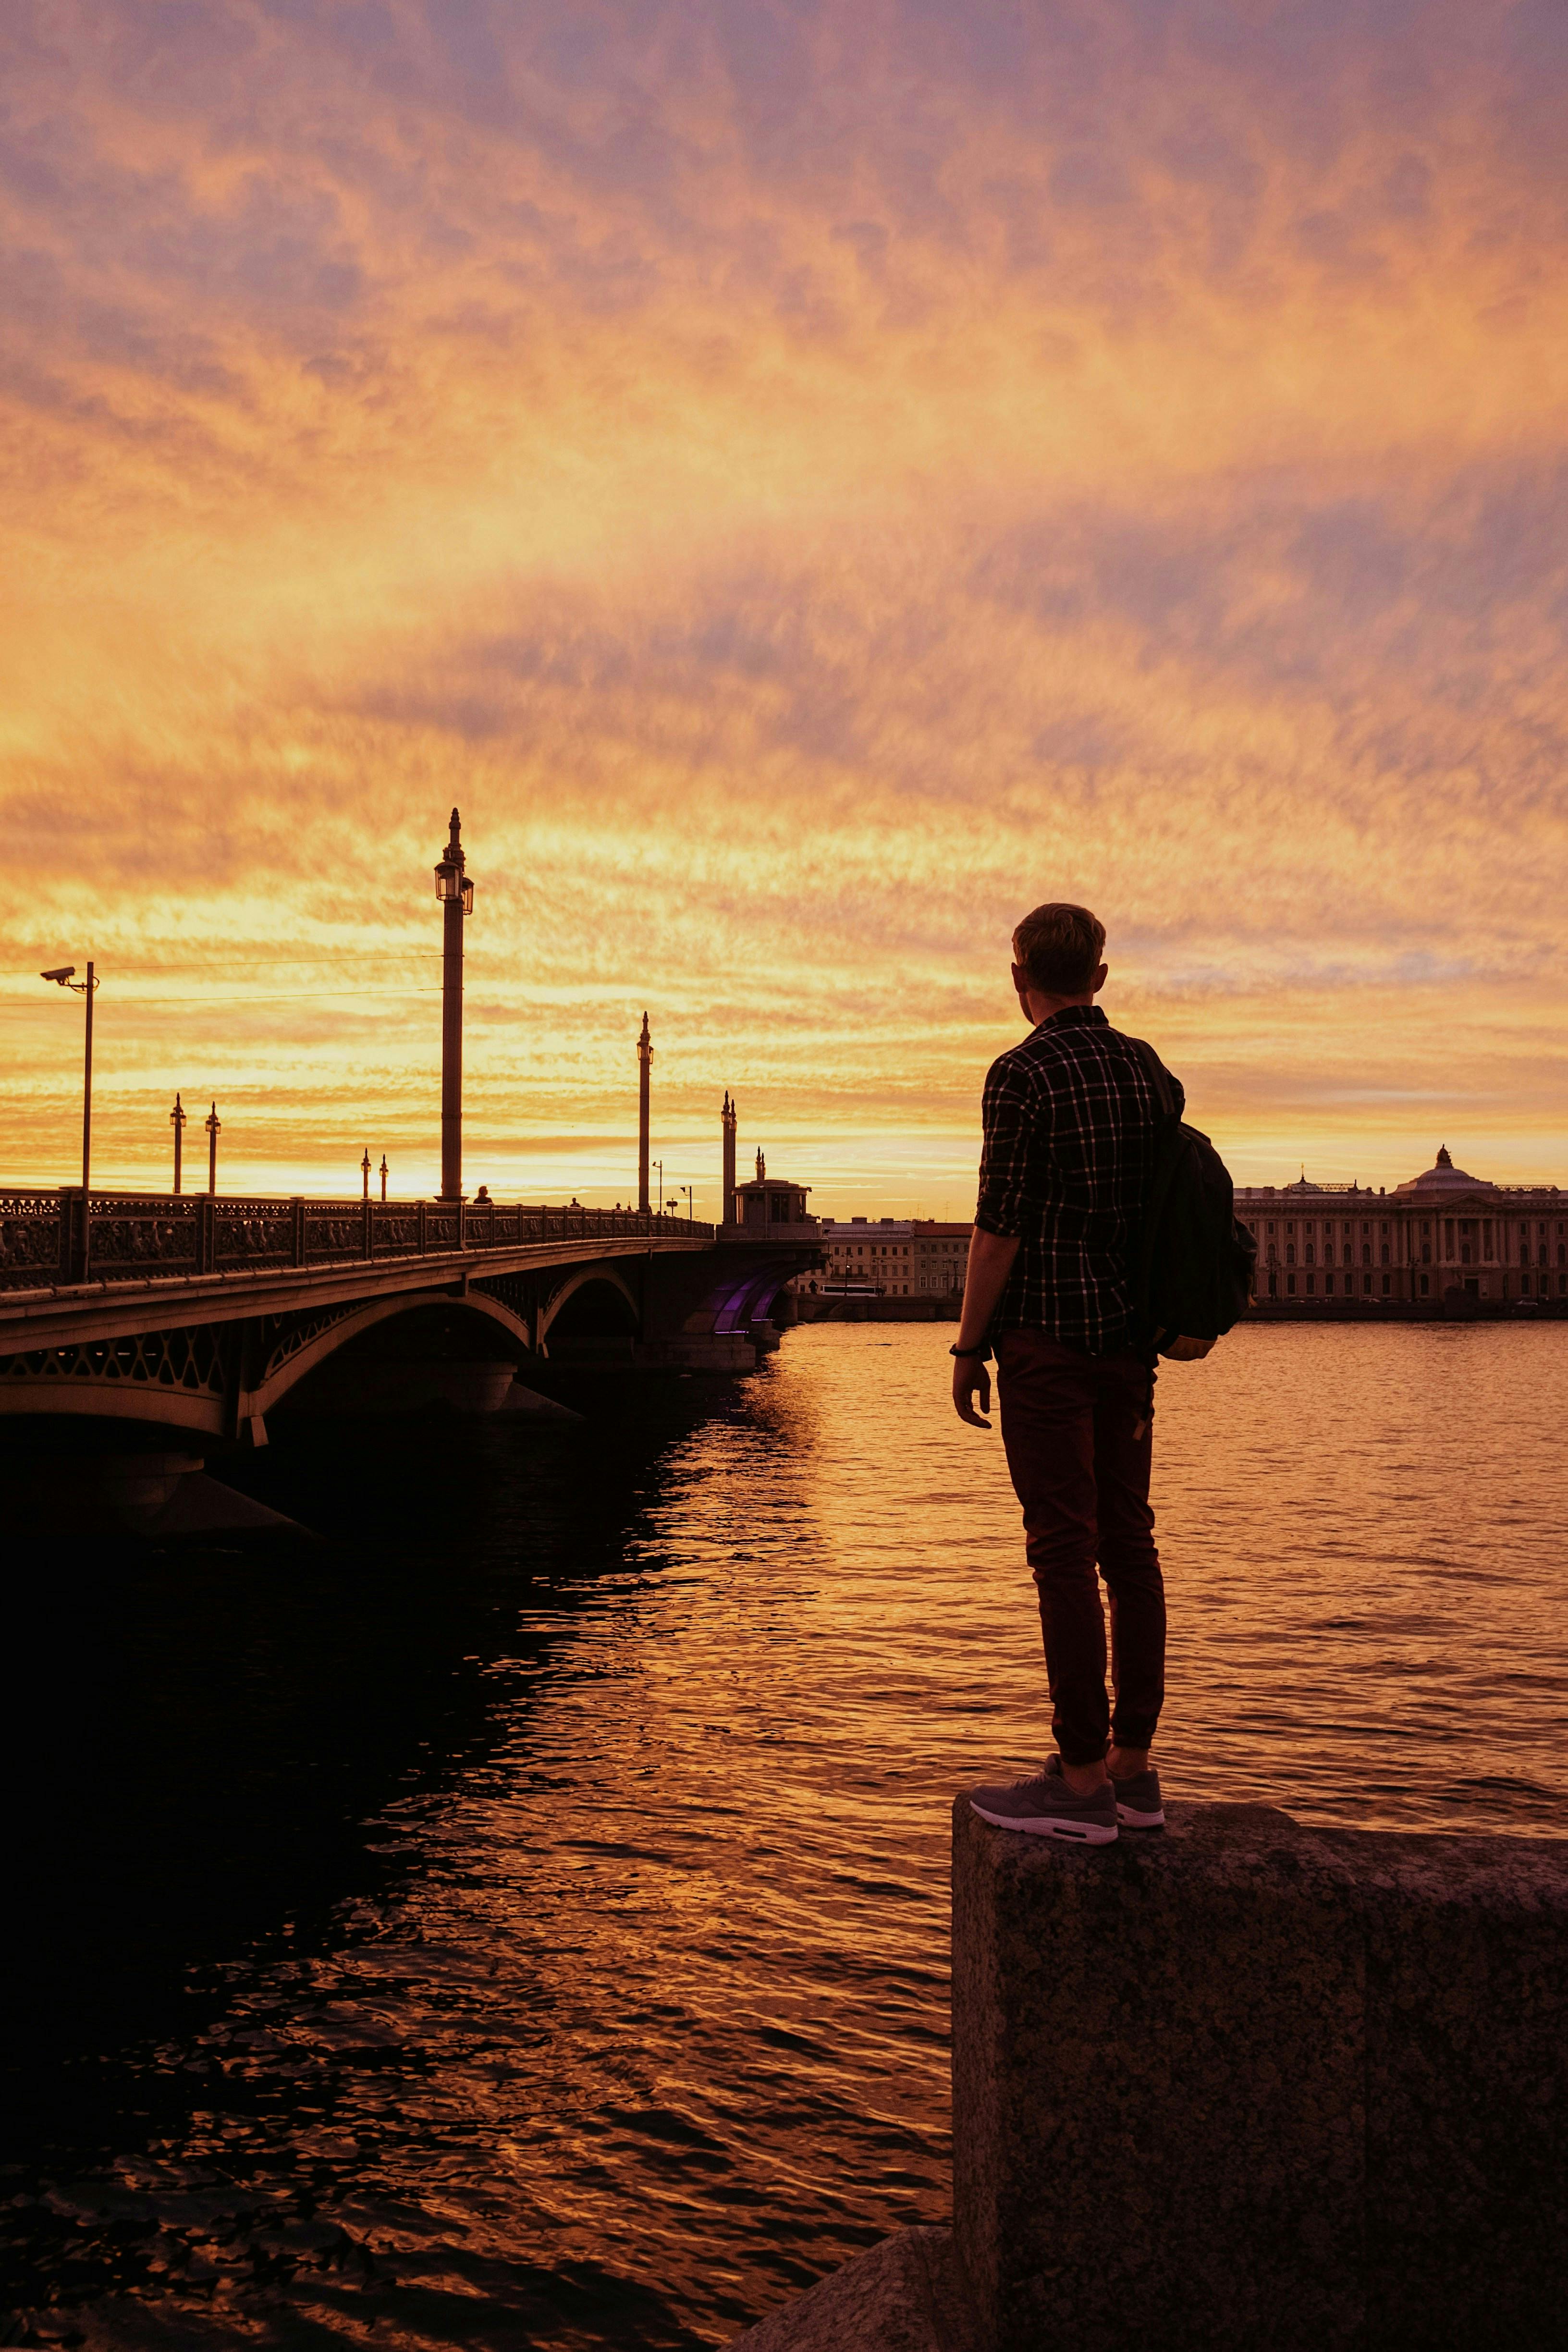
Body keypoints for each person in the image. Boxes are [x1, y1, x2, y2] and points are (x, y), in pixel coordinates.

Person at [951, 902, 1180, 1845]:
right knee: (1129, 1544)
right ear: (1101, 975)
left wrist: (969, 1347)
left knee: (1061, 1549)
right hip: (1130, 1348)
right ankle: (1133, 1769)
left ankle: (1080, 1782)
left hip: (1046, 1343)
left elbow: (1000, 1226)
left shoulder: (1021, 1075)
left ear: (1020, 979)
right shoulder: (1149, 1071)